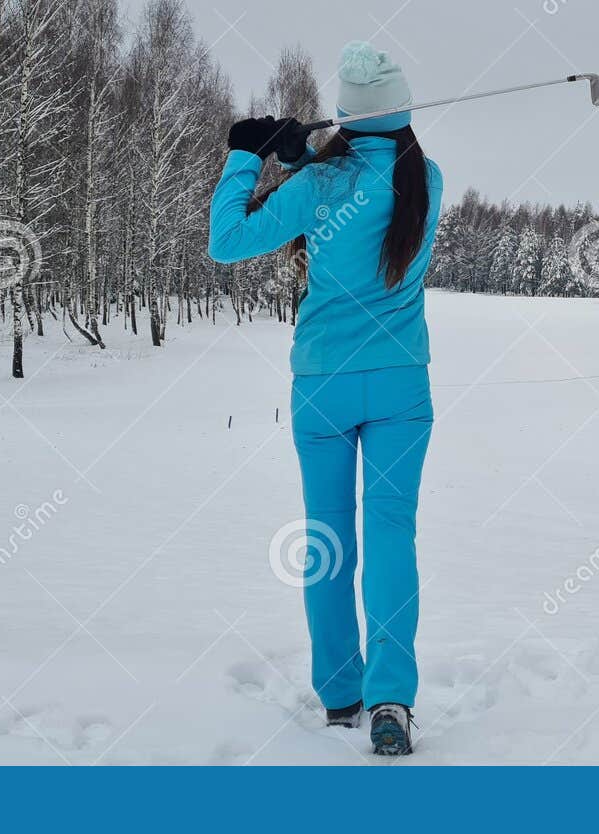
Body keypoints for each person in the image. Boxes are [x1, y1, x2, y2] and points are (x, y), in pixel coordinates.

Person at [207, 40, 443, 756]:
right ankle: (390, 700)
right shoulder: (427, 178)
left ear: (346, 111)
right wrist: (310, 148)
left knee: (330, 538)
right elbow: (371, 172)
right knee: (392, 534)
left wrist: (253, 153)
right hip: (401, 385)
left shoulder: (317, 187)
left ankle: (342, 689)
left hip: (324, 387)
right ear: (400, 112)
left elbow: (228, 240)